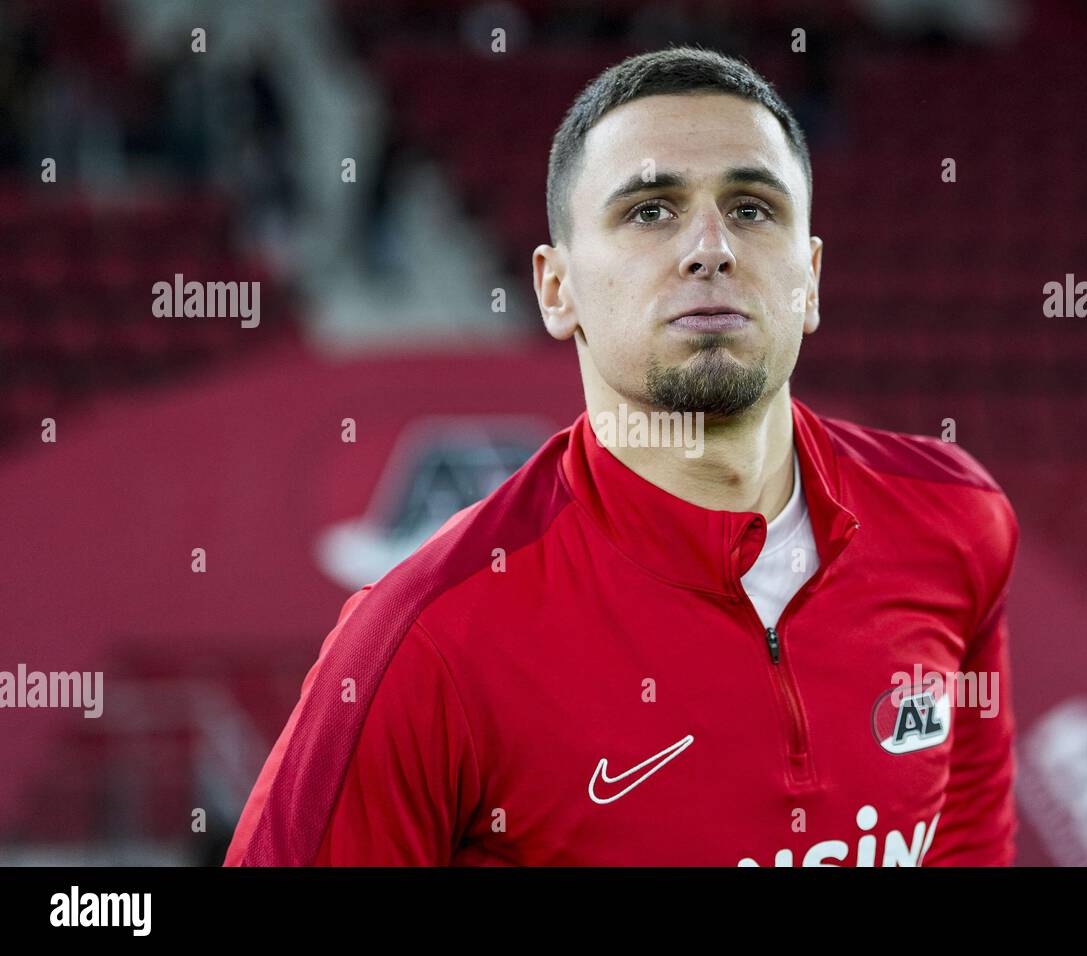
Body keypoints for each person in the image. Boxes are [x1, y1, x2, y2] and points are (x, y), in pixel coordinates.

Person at [225, 45, 1019, 867]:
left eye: (753, 208)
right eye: (650, 210)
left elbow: (967, 843)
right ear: (555, 288)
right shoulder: (424, 640)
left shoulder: (956, 517)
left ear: (810, 279)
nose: (709, 247)